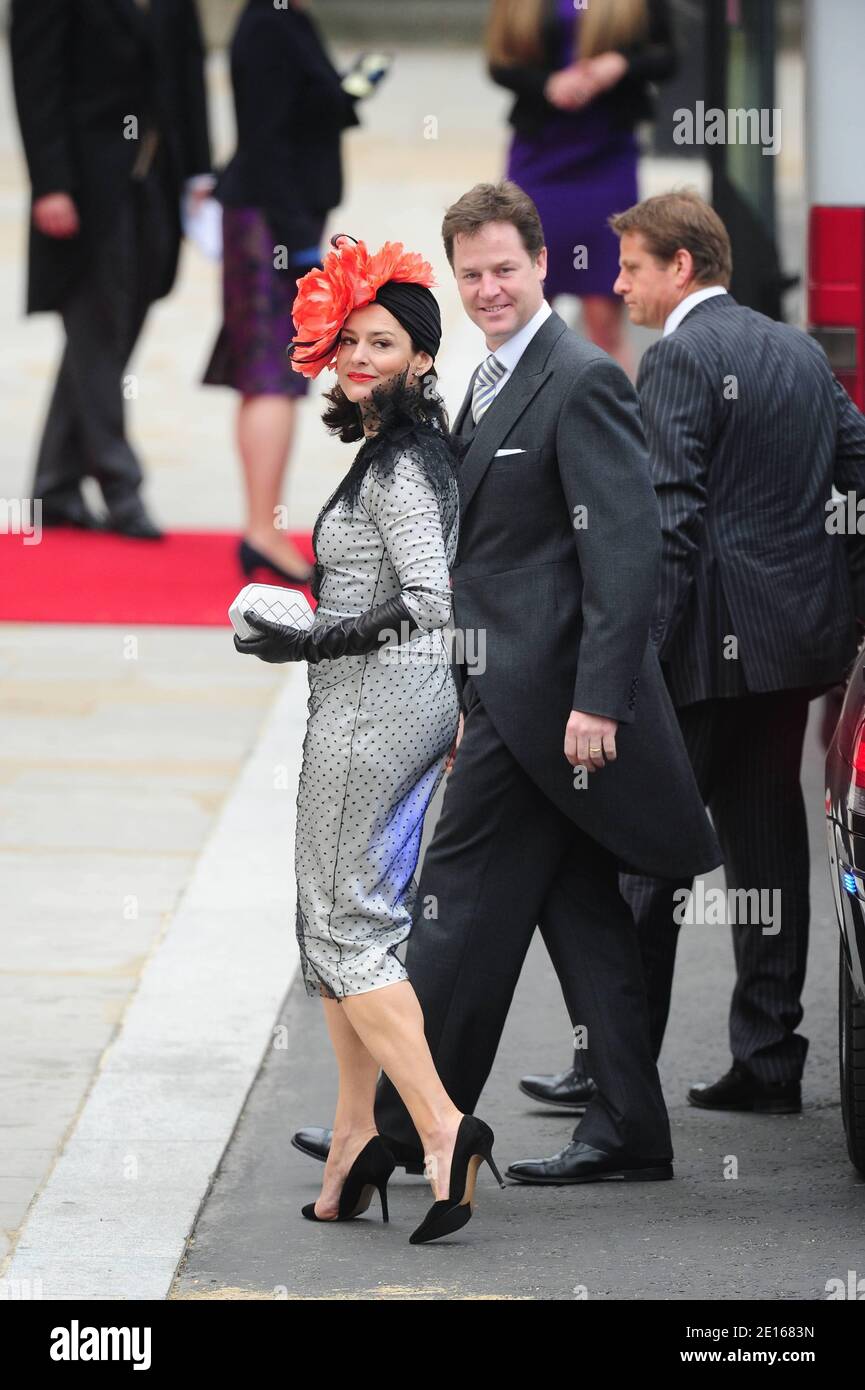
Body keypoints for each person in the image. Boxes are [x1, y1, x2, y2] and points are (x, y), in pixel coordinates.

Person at [292, 180, 722, 1187]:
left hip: (551, 708)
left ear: (540, 265)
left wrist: (597, 700)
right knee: (579, 912)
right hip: (503, 697)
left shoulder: (580, 377)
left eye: (504, 269)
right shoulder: (488, 380)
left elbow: (627, 553)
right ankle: (629, 1126)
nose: (488, 288)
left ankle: (399, 1128)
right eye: (471, 273)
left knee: (449, 897)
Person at [234, 233, 504, 1244]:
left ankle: (439, 1129)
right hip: (384, 702)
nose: (358, 356)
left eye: (382, 342)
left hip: (374, 707)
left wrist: (310, 632)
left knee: (345, 922)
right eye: (348, 339)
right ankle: (353, 1141)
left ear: (423, 358)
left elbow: (430, 599)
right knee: (339, 921)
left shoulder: (398, 463)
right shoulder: (404, 450)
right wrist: (314, 616)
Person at [599, 189, 865, 1111]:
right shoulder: (795, 348)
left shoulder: (677, 357)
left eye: (632, 266)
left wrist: (633, 660)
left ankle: (617, 1078)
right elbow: (858, 468)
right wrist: (846, 604)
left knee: (645, 857)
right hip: (790, 653)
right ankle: (768, 1061)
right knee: (765, 854)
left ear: (681, 267)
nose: (618, 283)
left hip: (702, 656)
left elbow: (668, 522)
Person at [9, 0, 213, 539]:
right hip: (85, 183)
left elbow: (188, 72)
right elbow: (35, 75)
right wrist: (50, 183)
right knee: (96, 325)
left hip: (158, 181)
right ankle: (121, 486)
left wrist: (200, 175)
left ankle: (55, 486)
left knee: (109, 329)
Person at [203, 0, 372, 585]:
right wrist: (297, 242)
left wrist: (347, 92)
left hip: (277, 218)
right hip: (270, 224)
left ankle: (262, 528)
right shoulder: (269, 24)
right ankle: (261, 530)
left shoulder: (286, 18)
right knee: (271, 372)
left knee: (272, 371)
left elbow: (303, 113)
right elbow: (267, 139)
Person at [487, 0, 675, 372]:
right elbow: (500, 63)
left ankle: (610, 425)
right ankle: (525, 425)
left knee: (604, 320)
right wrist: (547, 84)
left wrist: (620, 64)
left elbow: (668, 57)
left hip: (607, 154)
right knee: (524, 315)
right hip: (540, 156)